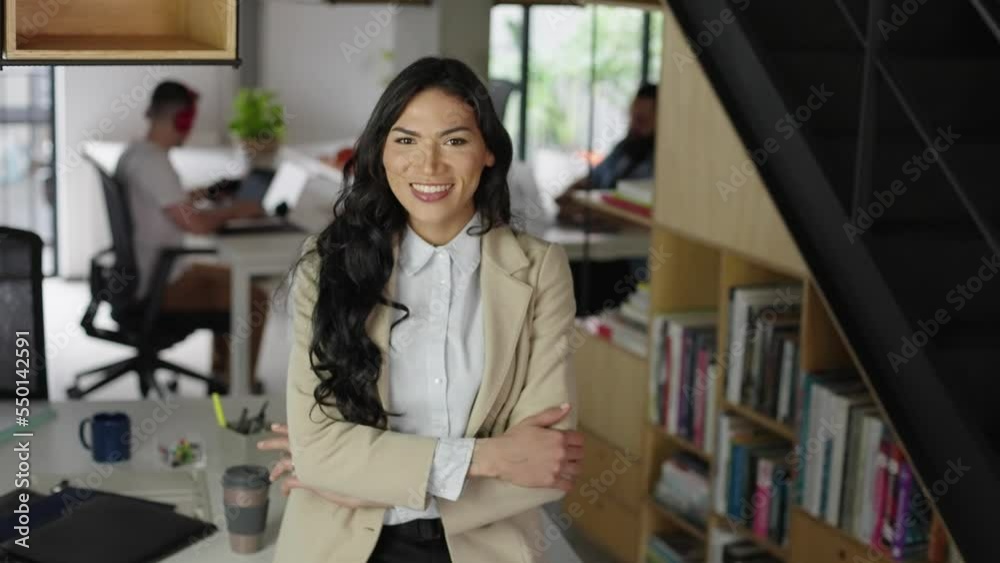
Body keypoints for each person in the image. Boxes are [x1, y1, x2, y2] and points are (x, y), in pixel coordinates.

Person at [267, 57, 584, 563]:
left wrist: (357, 482)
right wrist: (490, 458)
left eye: (455, 140)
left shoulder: (540, 270)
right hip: (337, 543)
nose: (429, 165)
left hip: (484, 546)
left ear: (487, 154)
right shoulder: (327, 265)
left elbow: (547, 469)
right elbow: (318, 449)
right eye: (406, 139)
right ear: (380, 152)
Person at [113, 80, 270, 393]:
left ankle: (223, 377)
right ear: (183, 119)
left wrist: (203, 195)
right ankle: (240, 388)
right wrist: (239, 210)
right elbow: (196, 225)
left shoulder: (135, 153)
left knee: (236, 281)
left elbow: (168, 204)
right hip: (162, 281)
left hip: (149, 273)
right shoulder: (154, 163)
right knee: (254, 298)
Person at [555, 83, 658, 316]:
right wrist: (570, 195)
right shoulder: (625, 148)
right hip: (602, 244)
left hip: (628, 260)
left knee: (572, 276)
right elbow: (591, 180)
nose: (636, 124)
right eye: (634, 116)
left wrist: (584, 210)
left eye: (644, 118)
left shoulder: (659, 161)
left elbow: (637, 214)